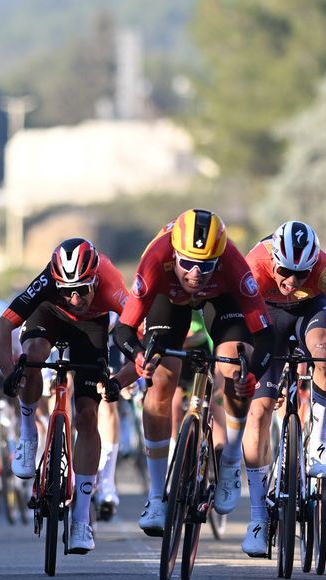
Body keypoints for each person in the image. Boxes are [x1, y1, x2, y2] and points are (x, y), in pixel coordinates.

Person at [112, 208, 275, 537]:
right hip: (169, 300)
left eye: (205, 265)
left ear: (219, 258)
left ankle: (230, 459)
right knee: (160, 378)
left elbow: (265, 335)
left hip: (221, 299)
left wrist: (253, 374)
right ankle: (157, 497)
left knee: (236, 363)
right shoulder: (157, 258)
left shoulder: (233, 265)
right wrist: (139, 356)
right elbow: (125, 330)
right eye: (188, 263)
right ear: (175, 253)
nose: (196, 273)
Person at [0, 237, 137, 554]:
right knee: (33, 354)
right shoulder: (48, 282)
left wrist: (120, 381)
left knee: (87, 415)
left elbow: (144, 343)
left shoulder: (111, 282)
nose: (73, 297)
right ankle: (28, 436)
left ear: (95, 279)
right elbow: (0, 329)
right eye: (66, 289)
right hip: (49, 318)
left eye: (81, 289)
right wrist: (10, 372)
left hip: (91, 328)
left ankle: (82, 517)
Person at [238, 220, 326, 556]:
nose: (292, 281)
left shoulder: (325, 270)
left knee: (325, 349)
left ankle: (318, 441)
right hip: (267, 318)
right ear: (273, 262)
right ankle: (257, 517)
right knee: (259, 411)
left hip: (311, 312)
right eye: (285, 271)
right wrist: (250, 370)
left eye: (302, 274)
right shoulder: (254, 265)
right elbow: (236, 329)